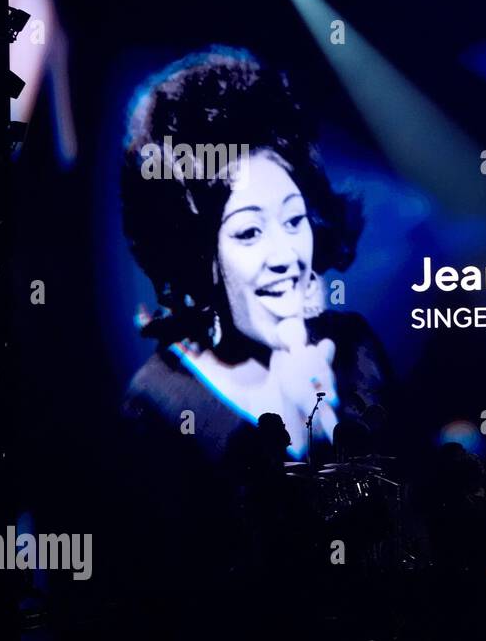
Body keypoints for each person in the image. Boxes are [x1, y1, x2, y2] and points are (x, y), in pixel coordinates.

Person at [119, 47, 391, 466]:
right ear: (198, 257)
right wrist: (304, 436)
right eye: (249, 232)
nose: (286, 256)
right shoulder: (160, 406)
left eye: (294, 220)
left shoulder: (357, 352)